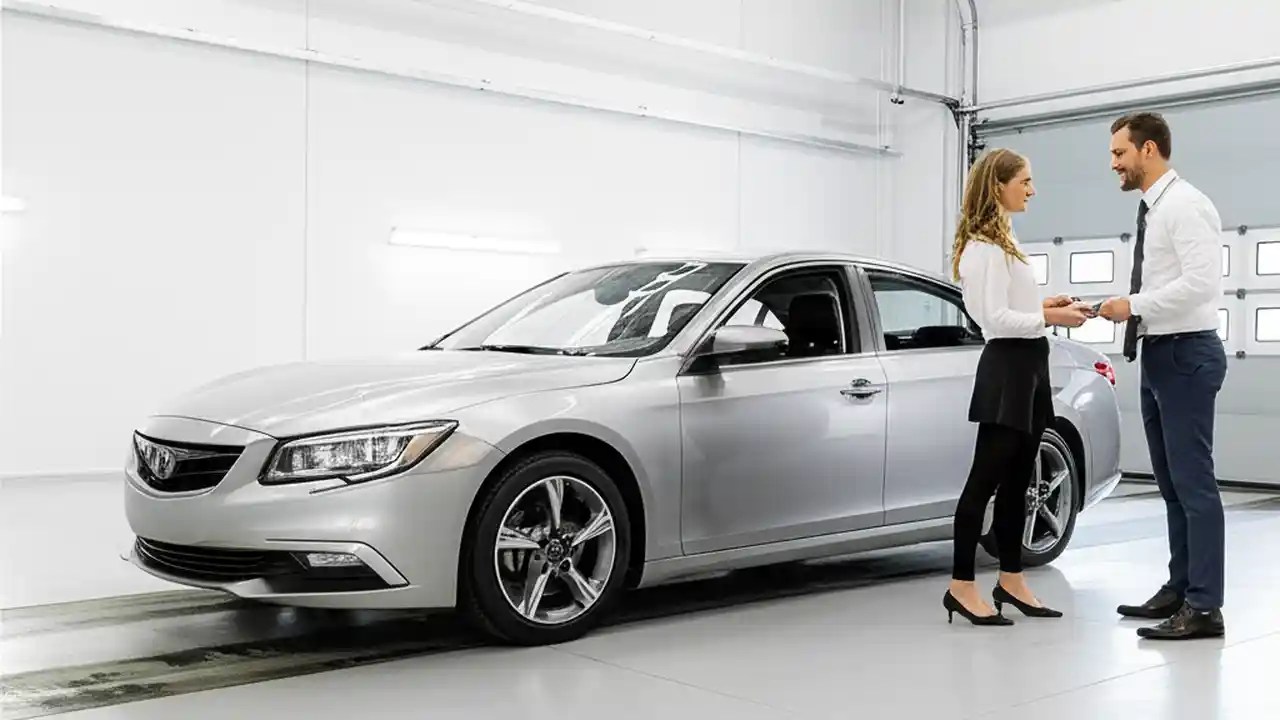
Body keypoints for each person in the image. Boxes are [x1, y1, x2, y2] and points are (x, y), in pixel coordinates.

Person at [944, 148, 1093, 626]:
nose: (1032, 189)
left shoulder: (1003, 240)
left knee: (1018, 483)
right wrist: (1048, 316)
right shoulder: (983, 248)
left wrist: (1044, 302)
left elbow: (1014, 304)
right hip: (1008, 368)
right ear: (998, 186)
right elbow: (992, 319)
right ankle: (961, 586)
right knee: (983, 483)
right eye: (1025, 181)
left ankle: (1011, 579)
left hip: (1030, 366)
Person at [1098, 112, 1227, 640]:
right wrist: (1131, 309)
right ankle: (1180, 586)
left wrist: (1133, 304)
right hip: (1159, 353)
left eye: (1119, 155)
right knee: (1172, 484)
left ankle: (1205, 606)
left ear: (1148, 150)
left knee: (1194, 484)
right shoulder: (1154, 210)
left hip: (1186, 353)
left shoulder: (1186, 206)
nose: (1114, 166)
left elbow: (1200, 285)